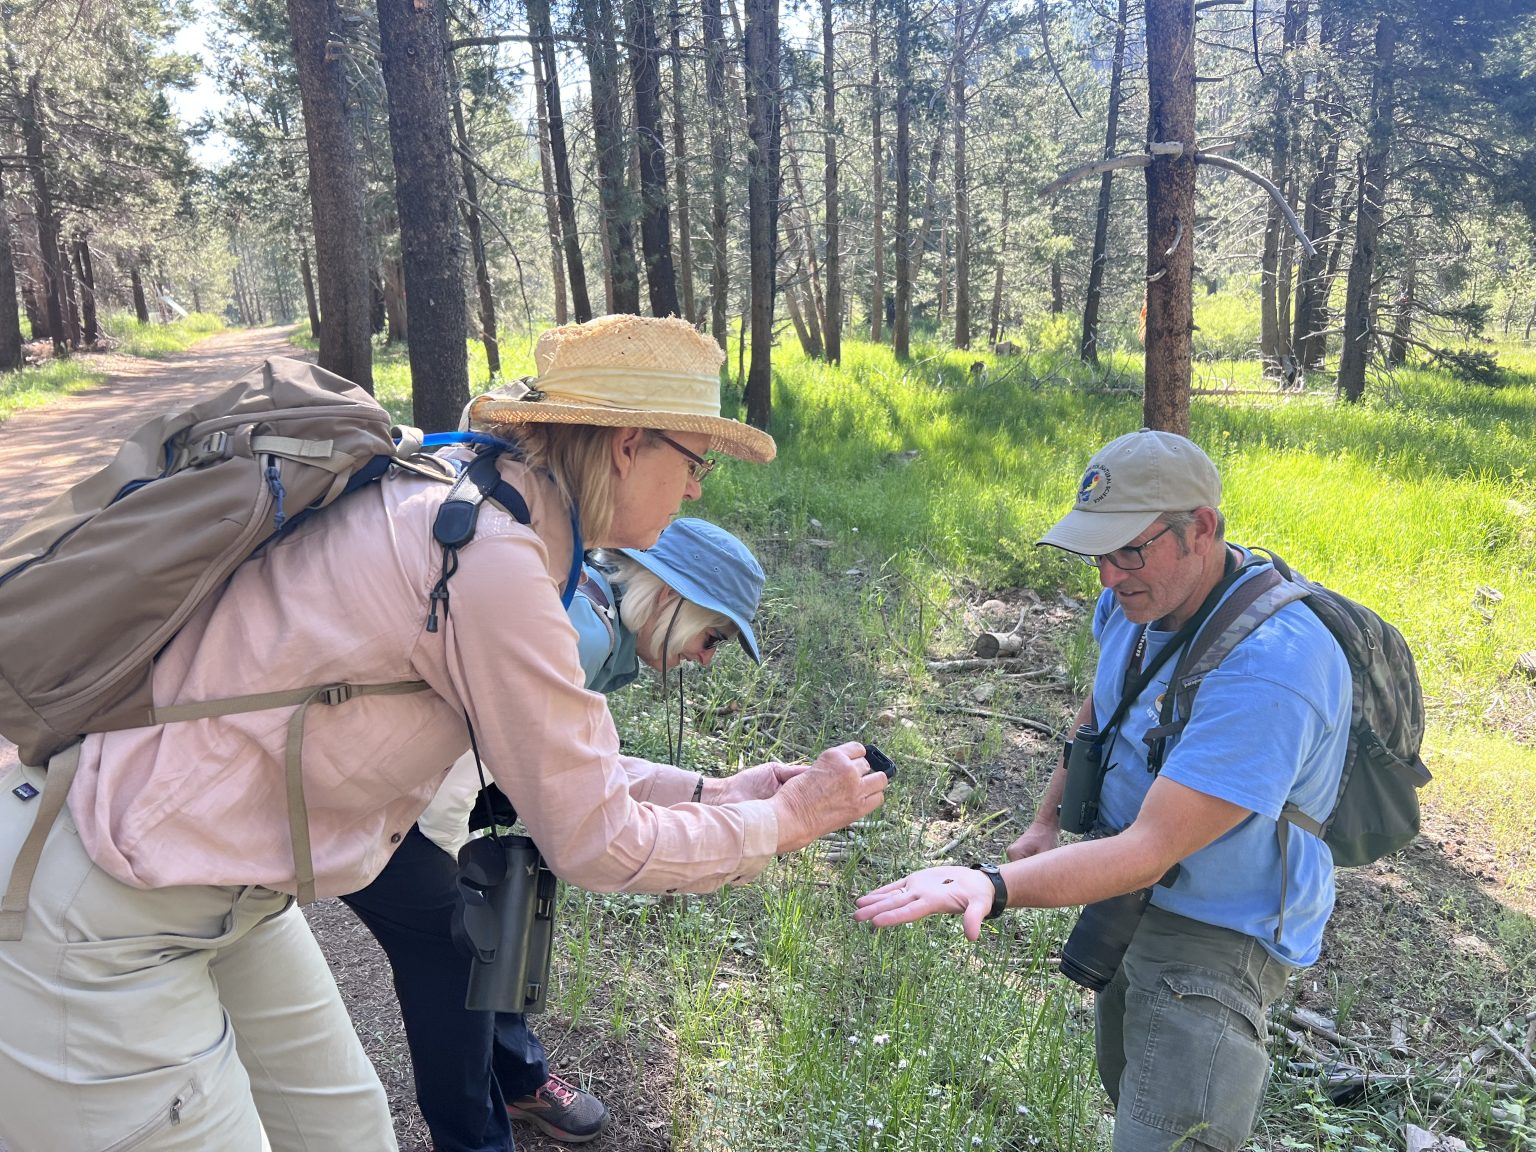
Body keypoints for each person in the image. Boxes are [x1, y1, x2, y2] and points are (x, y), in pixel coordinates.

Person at [0, 314, 889, 1152]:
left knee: (351, 1129)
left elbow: (557, 762)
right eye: (696, 463)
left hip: (231, 893)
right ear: (629, 445)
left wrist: (716, 793)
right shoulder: (493, 559)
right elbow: (597, 840)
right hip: (105, 912)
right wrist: (785, 822)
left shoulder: (483, 505)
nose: (696, 488)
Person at [856, 429, 1350, 1152]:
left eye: (1128, 551)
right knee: (1131, 1091)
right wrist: (1046, 818)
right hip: (1129, 896)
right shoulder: (1140, 602)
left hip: (1216, 934)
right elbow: (1107, 700)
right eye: (1097, 553)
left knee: (1174, 1136)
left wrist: (993, 883)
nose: (1108, 578)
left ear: (1201, 529)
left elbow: (1150, 849)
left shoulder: (1273, 668)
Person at [341, 517, 769, 1150]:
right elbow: (448, 787)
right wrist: (458, 879)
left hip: (423, 785)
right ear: (669, 596)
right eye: (714, 637)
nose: (706, 658)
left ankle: (517, 1079)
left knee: (500, 911)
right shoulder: (583, 632)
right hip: (376, 804)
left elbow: (571, 761)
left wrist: (712, 792)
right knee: (462, 949)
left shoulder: (593, 610)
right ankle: (475, 1140)